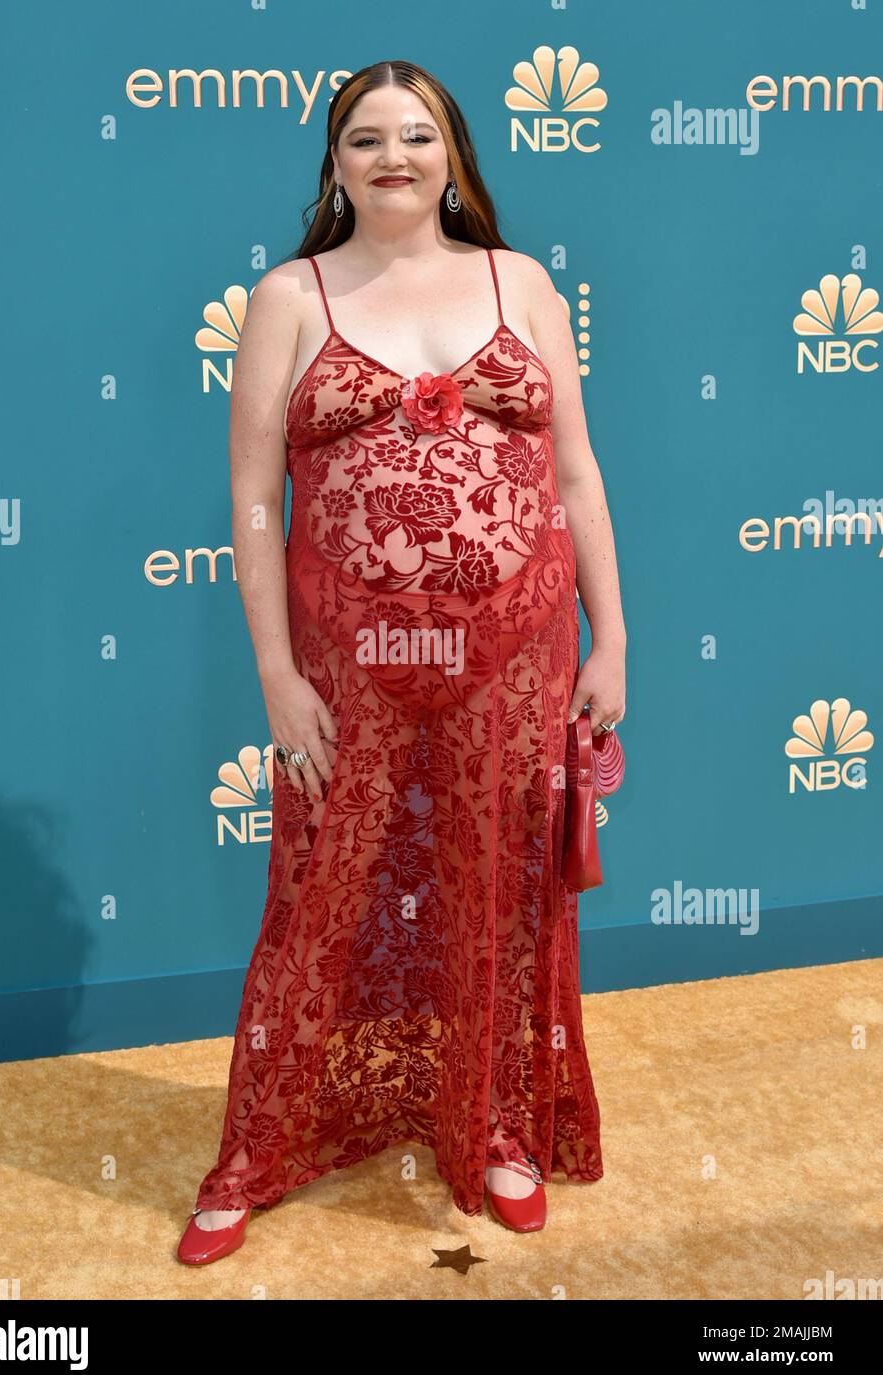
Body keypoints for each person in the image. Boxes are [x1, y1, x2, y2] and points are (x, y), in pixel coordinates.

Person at [177, 59, 626, 1266]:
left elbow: (575, 474)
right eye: (364, 138)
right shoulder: (288, 295)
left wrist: (612, 637)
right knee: (321, 900)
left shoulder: (519, 283)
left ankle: (496, 1131)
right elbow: (250, 498)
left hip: (519, 654)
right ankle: (255, 1152)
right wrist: (275, 671)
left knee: (502, 891)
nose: (392, 156)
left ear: (454, 158)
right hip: (350, 663)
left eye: (416, 136)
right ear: (333, 165)